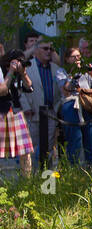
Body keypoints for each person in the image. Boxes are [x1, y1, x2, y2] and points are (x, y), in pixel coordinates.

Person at [58, 45, 92, 167]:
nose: (77, 59)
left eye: (78, 56)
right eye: (73, 57)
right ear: (67, 59)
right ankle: (74, 167)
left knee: (90, 137)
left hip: (87, 105)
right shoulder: (61, 71)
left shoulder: (86, 72)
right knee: (74, 139)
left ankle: (90, 166)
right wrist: (73, 74)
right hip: (71, 106)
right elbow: (65, 90)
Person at [25, 38, 65, 169]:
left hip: (50, 113)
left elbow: (62, 91)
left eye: (50, 49)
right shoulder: (27, 68)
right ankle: (33, 179)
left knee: (48, 148)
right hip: (33, 112)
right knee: (34, 146)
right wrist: (26, 107)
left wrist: (57, 107)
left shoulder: (56, 69)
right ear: (36, 50)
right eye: (45, 48)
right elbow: (20, 91)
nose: (48, 52)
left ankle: (46, 180)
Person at [0, 50, 35, 175]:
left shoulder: (19, 73)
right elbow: (2, 90)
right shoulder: (2, 70)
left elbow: (29, 87)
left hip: (16, 111)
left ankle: (27, 179)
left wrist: (23, 73)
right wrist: (10, 71)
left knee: (25, 149)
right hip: (2, 111)